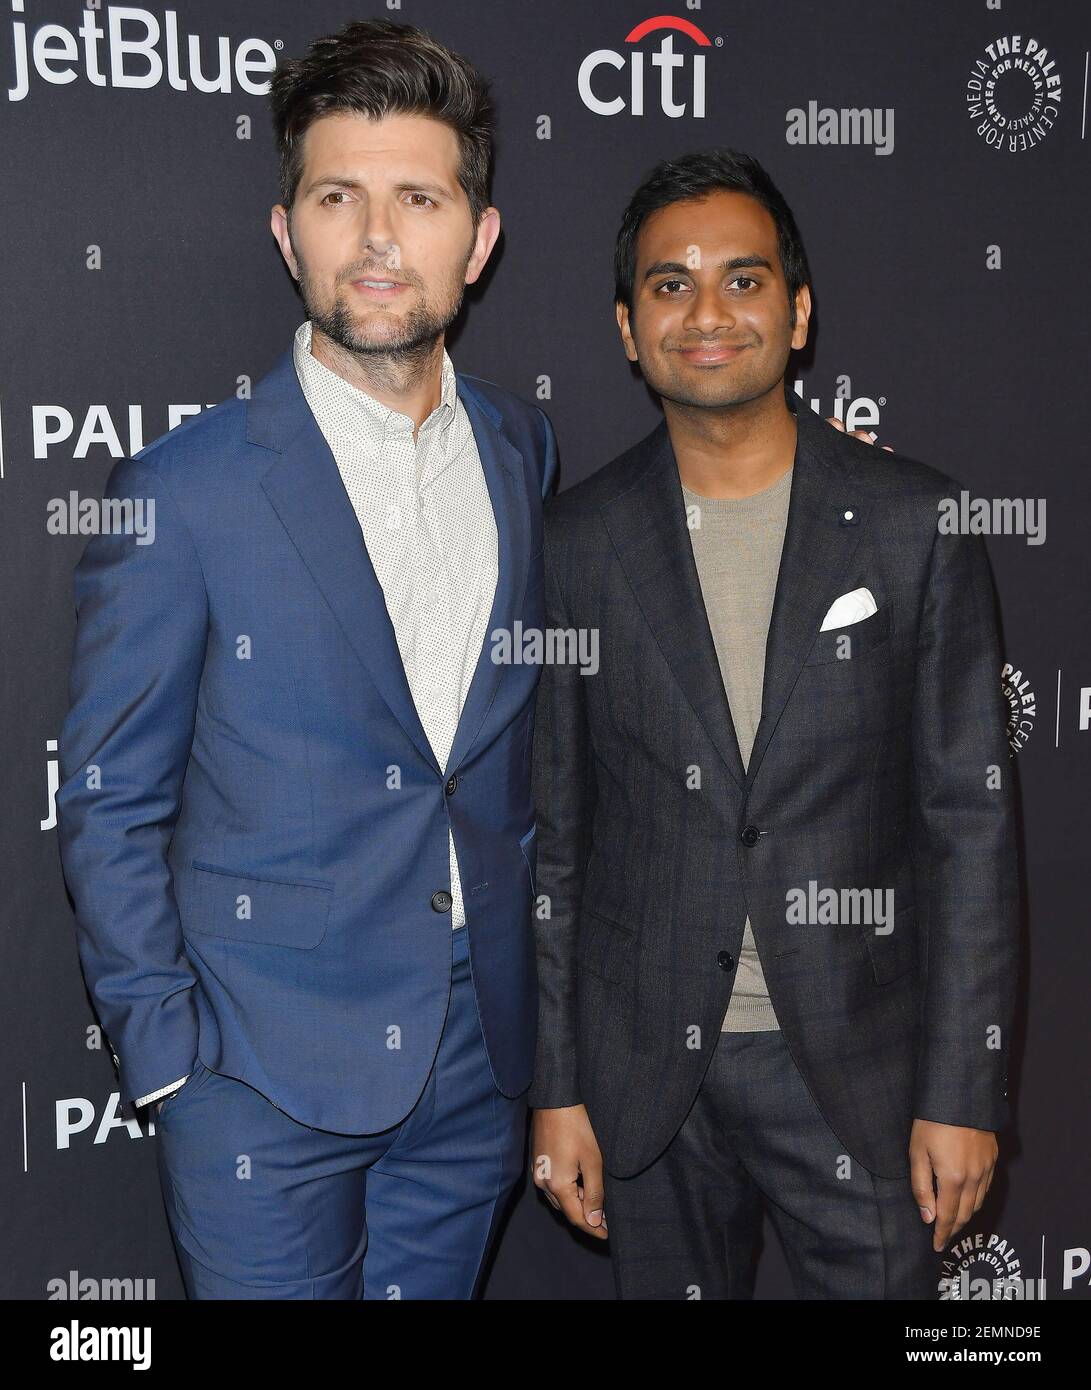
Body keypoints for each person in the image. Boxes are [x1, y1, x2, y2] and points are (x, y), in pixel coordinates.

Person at [56, 18, 556, 1300]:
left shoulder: (521, 453)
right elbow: (110, 802)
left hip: (474, 1064)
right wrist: (170, 1058)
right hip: (258, 1078)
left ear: (478, 238)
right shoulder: (181, 492)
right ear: (288, 234)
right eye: (338, 196)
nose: (378, 236)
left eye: (419, 198)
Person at [529, 148, 1018, 1299]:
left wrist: (961, 1088)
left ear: (797, 315)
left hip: (858, 1069)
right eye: (668, 285)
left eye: (742, 281)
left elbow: (968, 829)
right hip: (649, 1083)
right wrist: (557, 1084)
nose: (705, 313)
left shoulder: (916, 525)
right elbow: (557, 834)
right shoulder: (576, 544)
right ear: (624, 326)